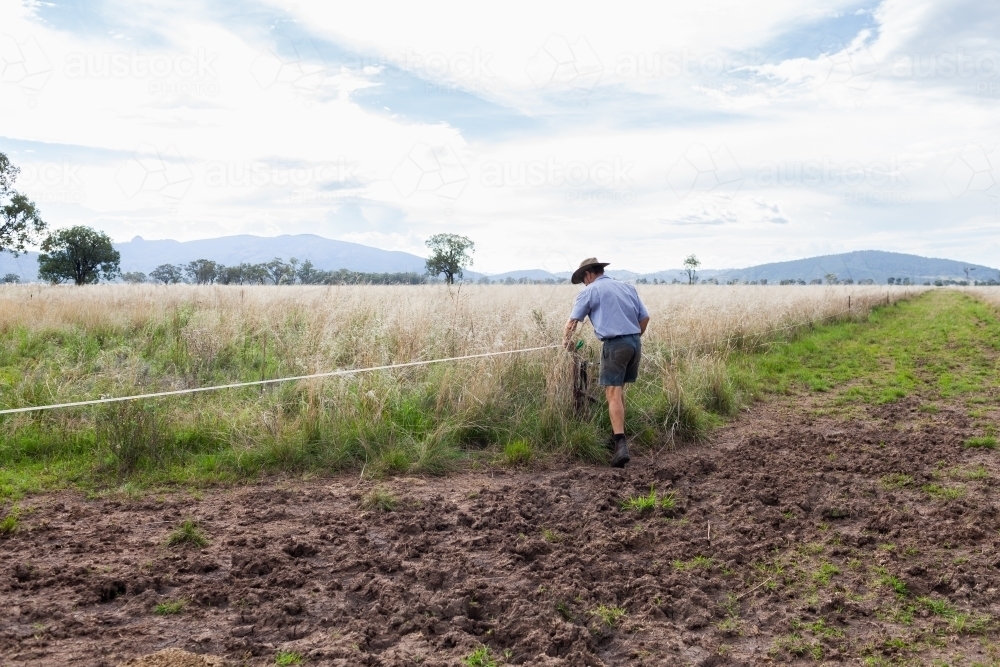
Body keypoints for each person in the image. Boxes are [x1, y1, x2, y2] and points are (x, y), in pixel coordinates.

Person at [563, 257, 650, 468]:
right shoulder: (627, 287)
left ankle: (621, 445)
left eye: (583, 279)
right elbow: (645, 317)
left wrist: (567, 343)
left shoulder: (590, 291)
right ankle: (616, 436)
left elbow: (573, 322)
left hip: (614, 345)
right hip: (634, 343)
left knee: (612, 393)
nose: (584, 283)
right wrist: (634, 337)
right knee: (619, 392)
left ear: (588, 274)